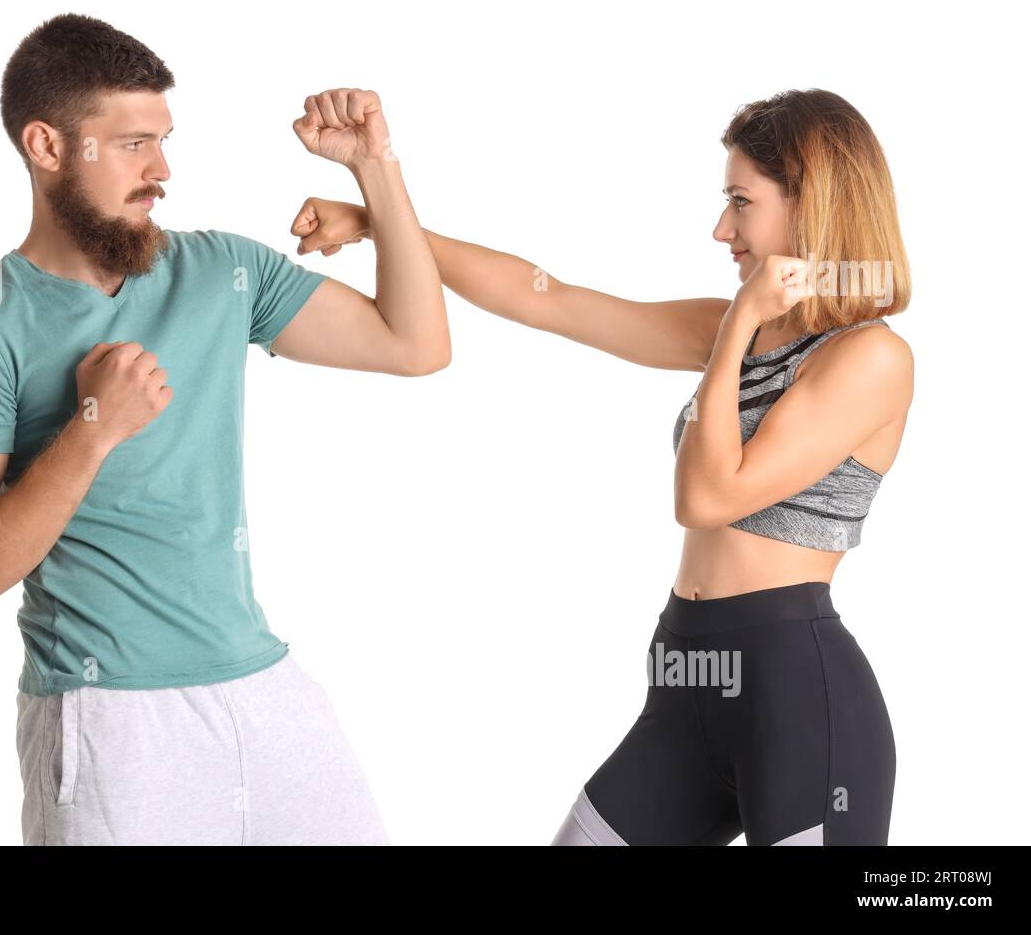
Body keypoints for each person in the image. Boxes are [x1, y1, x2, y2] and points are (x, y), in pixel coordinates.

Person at [289, 88, 913, 845]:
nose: (722, 228)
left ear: (810, 204)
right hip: (686, 684)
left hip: (797, 702)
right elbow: (547, 298)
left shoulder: (871, 358)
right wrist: (378, 222)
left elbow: (707, 495)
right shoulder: (732, 334)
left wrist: (743, 318)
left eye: (740, 202)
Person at [0, 13, 448, 845]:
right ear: (47, 147)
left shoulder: (221, 270)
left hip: (265, 686)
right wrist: (92, 429)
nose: (163, 170)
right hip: (108, 717)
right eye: (132, 144)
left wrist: (375, 171)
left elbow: (415, 345)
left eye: (163, 140)